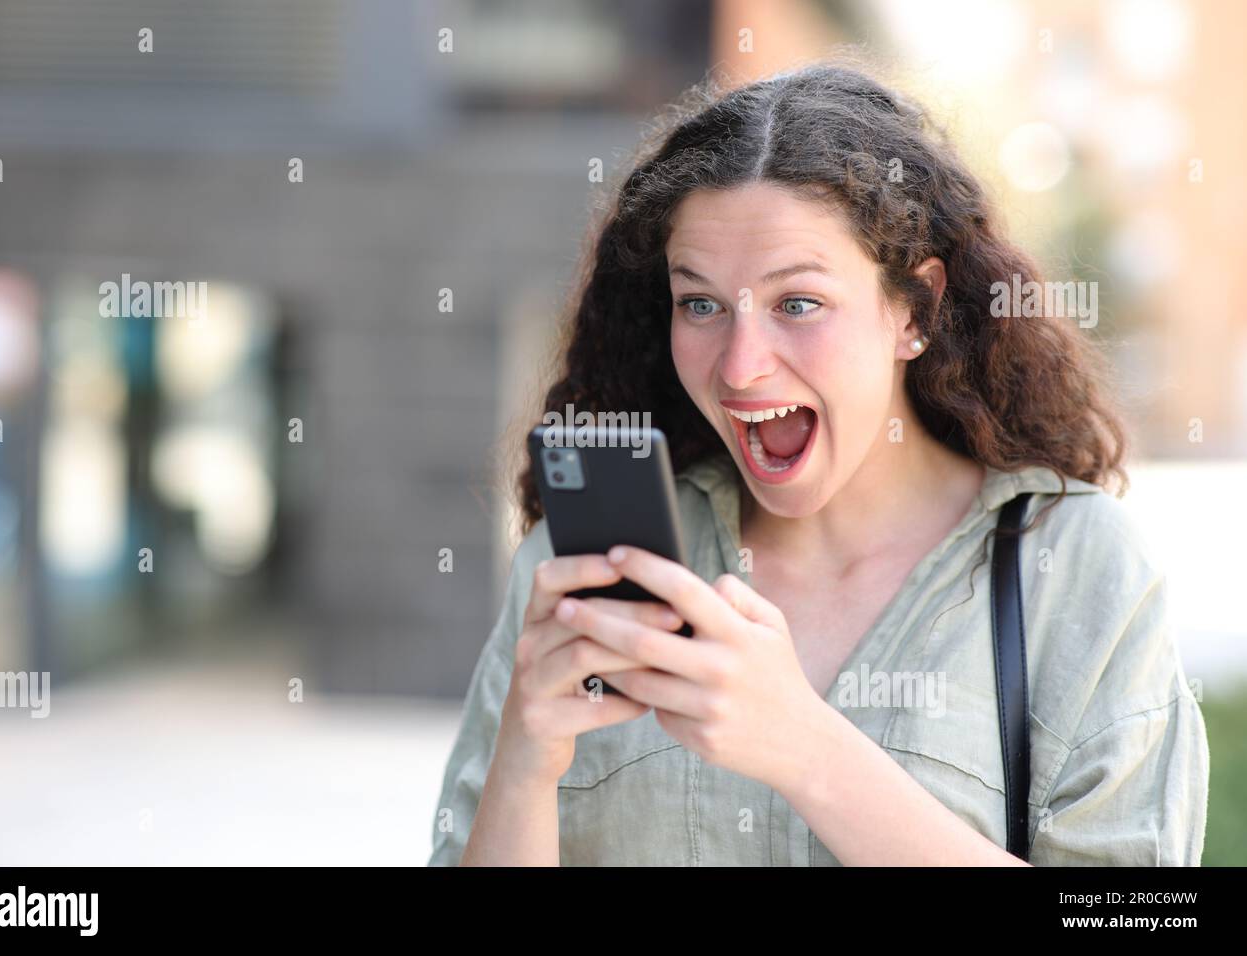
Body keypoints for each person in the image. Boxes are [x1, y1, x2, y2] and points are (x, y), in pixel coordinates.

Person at [427, 63, 1209, 866]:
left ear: (916, 310)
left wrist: (808, 752)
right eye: (700, 303)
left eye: (797, 303)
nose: (739, 367)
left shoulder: (1075, 572)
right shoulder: (585, 576)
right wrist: (524, 765)